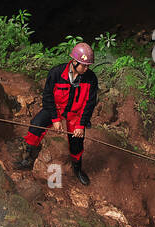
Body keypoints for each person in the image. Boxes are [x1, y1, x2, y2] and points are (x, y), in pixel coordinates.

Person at [16, 42, 98, 185]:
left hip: (76, 112)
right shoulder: (56, 73)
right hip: (56, 107)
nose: (86, 68)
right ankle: (29, 157)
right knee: (36, 125)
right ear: (74, 61)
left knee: (77, 141)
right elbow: (47, 96)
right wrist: (55, 118)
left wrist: (81, 124)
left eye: (88, 65)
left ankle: (77, 169)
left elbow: (89, 104)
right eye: (84, 65)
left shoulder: (91, 79)